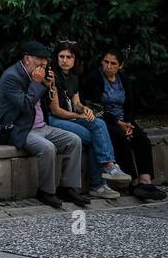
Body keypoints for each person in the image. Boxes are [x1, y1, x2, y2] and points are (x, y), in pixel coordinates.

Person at [0, 41, 89, 209]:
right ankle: (45, 192)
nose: (44, 63)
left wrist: (48, 86)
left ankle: (67, 187)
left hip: (42, 126)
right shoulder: (11, 77)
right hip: (20, 129)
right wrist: (37, 84)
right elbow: (25, 105)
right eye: (39, 59)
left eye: (45, 59)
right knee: (47, 148)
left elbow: (44, 102)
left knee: (74, 140)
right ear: (27, 59)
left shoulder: (38, 74)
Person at [47, 41, 131, 200]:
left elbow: (76, 103)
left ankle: (106, 171)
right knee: (95, 136)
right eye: (61, 56)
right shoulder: (53, 76)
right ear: (56, 58)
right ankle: (100, 179)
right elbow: (56, 110)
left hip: (71, 117)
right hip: (54, 120)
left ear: (74, 60)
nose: (65, 60)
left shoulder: (73, 77)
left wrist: (85, 110)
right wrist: (80, 116)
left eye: (69, 57)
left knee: (98, 123)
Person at [82, 49, 166, 201]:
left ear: (120, 66)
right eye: (106, 62)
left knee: (142, 139)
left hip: (123, 119)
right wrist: (118, 123)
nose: (108, 66)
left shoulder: (123, 79)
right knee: (120, 137)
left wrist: (127, 122)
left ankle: (145, 181)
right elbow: (96, 107)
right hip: (105, 119)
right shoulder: (95, 78)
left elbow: (129, 104)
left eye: (113, 63)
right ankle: (132, 181)